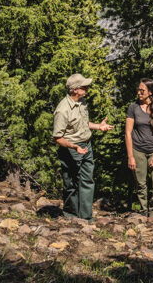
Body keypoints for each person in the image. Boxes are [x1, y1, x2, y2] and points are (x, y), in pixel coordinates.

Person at [52, 73, 113, 221]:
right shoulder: (62, 110)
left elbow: (83, 124)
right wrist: (74, 147)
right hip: (71, 149)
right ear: (75, 89)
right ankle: (71, 216)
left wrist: (98, 126)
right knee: (71, 183)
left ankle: (86, 218)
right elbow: (57, 137)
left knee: (87, 180)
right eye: (84, 86)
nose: (87, 88)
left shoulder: (82, 102)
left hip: (86, 146)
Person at [125, 78, 153, 217]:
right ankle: (143, 213)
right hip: (137, 150)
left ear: (150, 92)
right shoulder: (133, 107)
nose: (138, 92)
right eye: (138, 90)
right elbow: (128, 132)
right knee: (141, 184)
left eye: (142, 90)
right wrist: (130, 156)